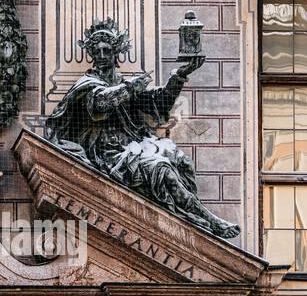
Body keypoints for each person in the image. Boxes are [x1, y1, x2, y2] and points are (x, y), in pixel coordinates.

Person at [44, 16, 240, 240]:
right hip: (109, 152)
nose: (100, 55)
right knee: (162, 168)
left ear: (115, 51)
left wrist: (180, 74)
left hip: (135, 144)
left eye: (106, 50)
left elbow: (160, 102)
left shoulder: (120, 80)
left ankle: (191, 218)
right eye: (96, 51)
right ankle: (211, 221)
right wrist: (129, 87)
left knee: (182, 161)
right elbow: (100, 103)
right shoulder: (87, 84)